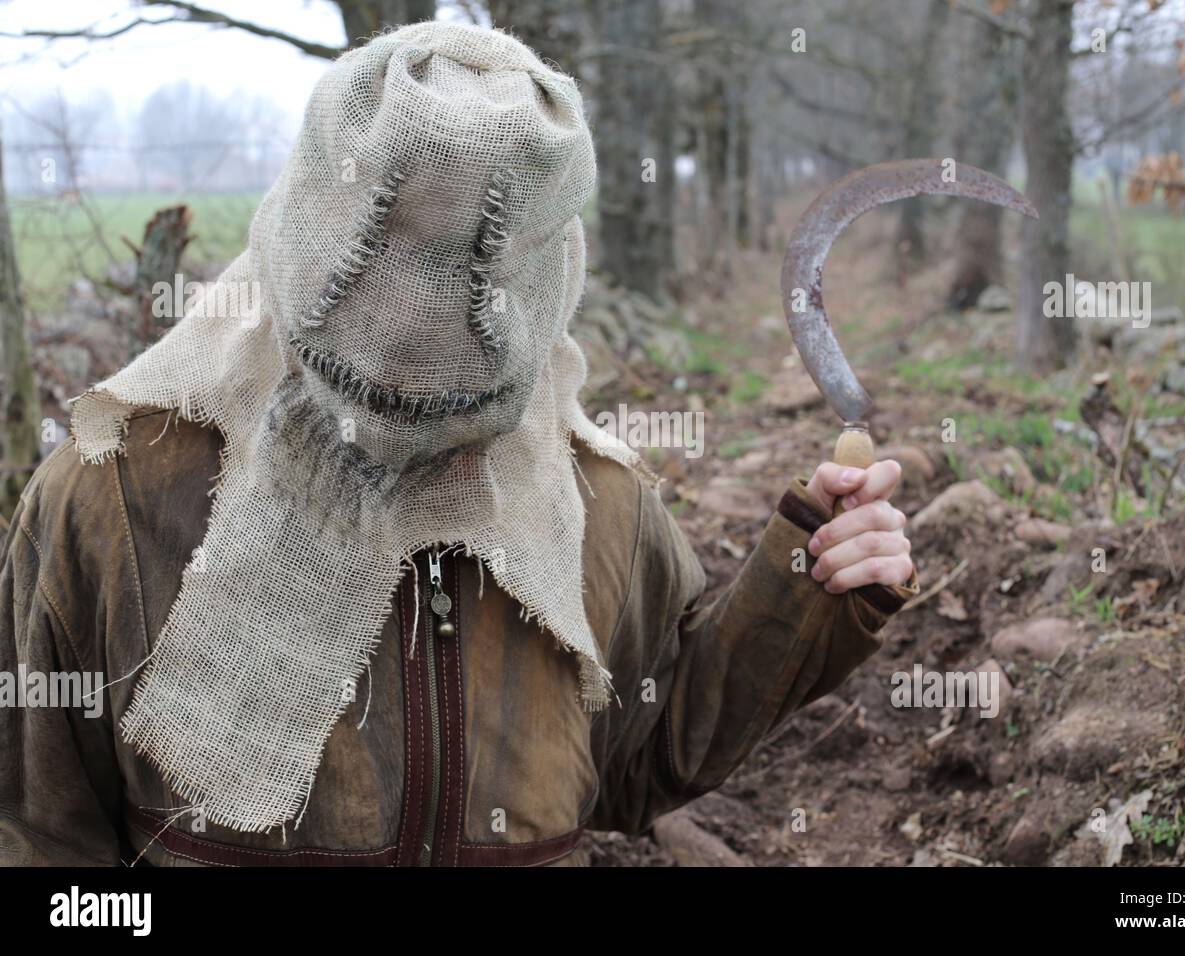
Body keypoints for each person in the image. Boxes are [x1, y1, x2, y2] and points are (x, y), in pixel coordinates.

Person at [0, 21, 915, 867]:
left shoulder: (591, 502)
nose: (410, 331)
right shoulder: (113, 494)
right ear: (313, 232)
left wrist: (810, 580)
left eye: (456, 292)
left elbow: (636, 762)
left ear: (539, 276)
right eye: (387, 270)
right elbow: (39, 839)